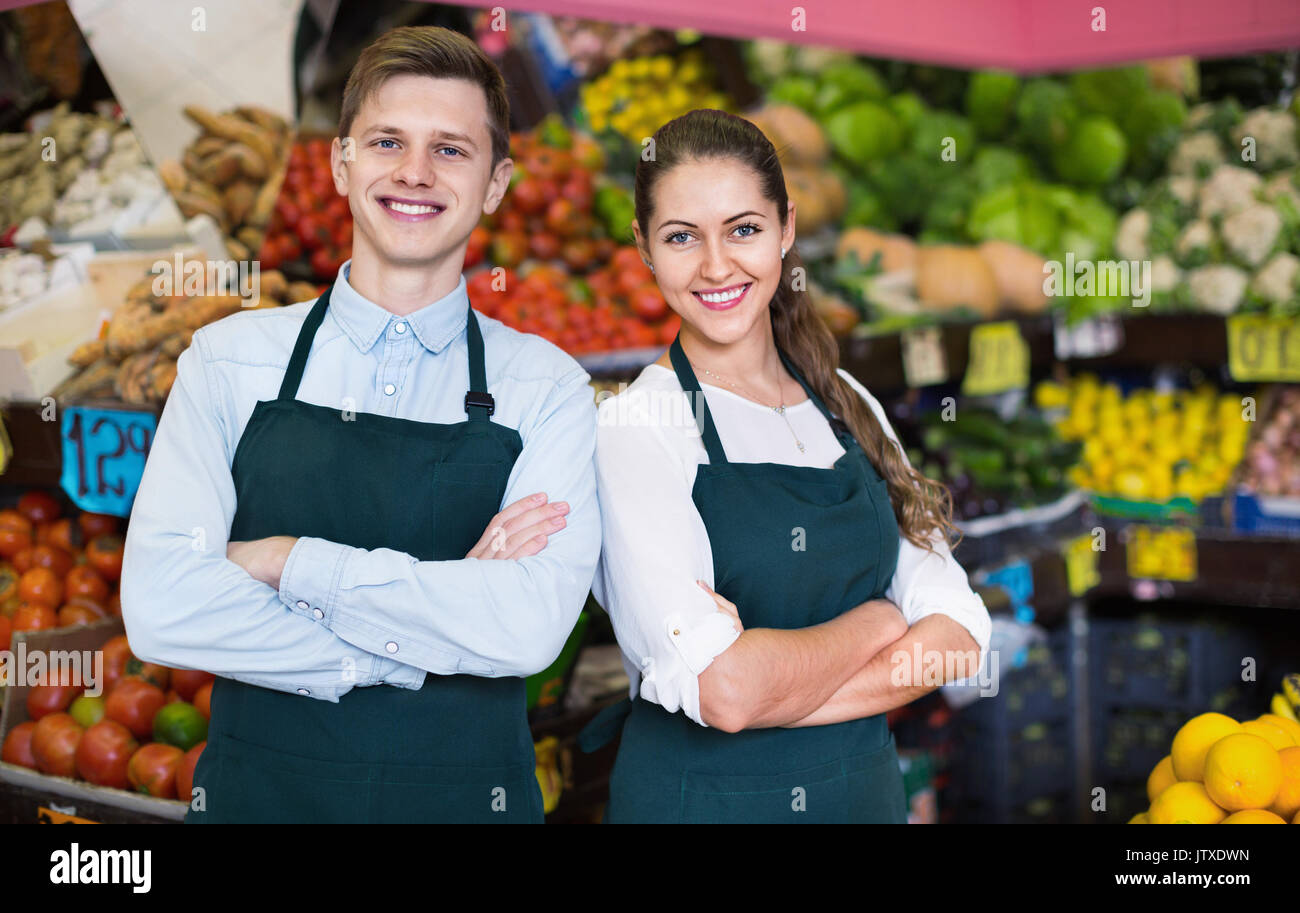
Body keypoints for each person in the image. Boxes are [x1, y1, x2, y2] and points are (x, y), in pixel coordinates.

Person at [120, 26, 600, 823]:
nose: (415, 172)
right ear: (342, 162)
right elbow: (163, 606)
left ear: (496, 183)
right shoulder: (229, 361)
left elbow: (524, 630)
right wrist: (413, 642)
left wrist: (287, 562)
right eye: (387, 142)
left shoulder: (548, 387)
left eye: (451, 149)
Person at [579, 108, 992, 823]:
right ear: (644, 248)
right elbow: (728, 693)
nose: (716, 266)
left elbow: (959, 637)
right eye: (682, 237)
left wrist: (773, 683)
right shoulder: (637, 428)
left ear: (786, 227)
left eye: (744, 229)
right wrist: (881, 617)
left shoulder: (844, 402)